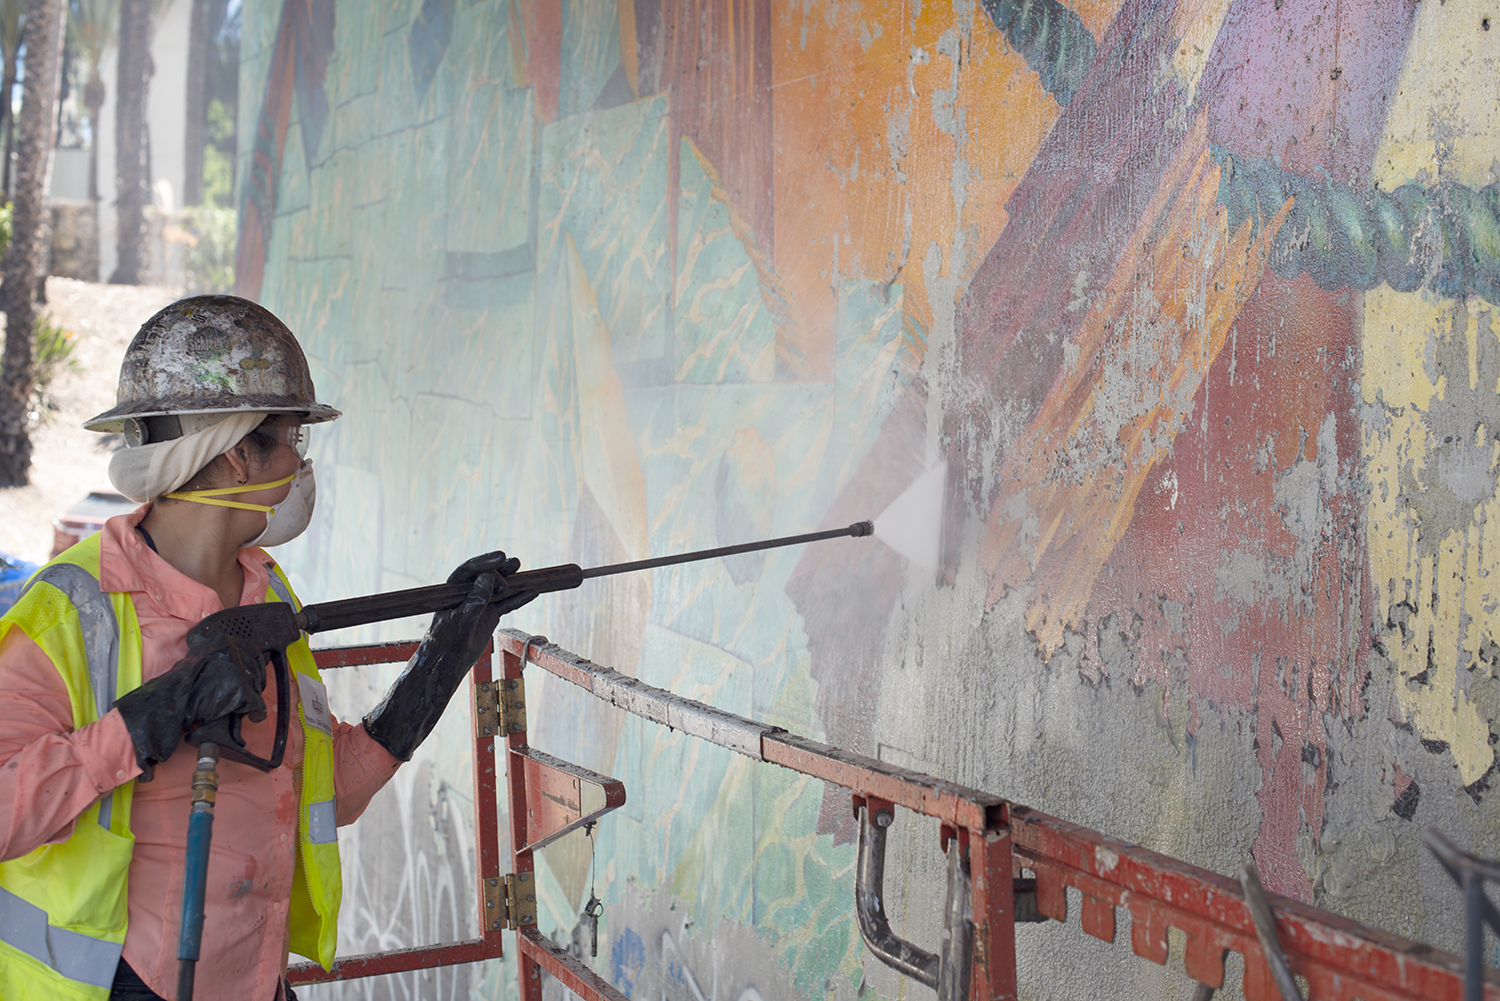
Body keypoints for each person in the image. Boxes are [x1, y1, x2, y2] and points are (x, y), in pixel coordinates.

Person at [0, 295, 535, 1001]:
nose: (300, 460)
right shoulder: (72, 610)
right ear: (231, 456)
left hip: (252, 981)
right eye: (290, 437)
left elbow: (327, 790)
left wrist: (441, 661)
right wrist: (143, 723)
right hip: (120, 985)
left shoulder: (267, 596)